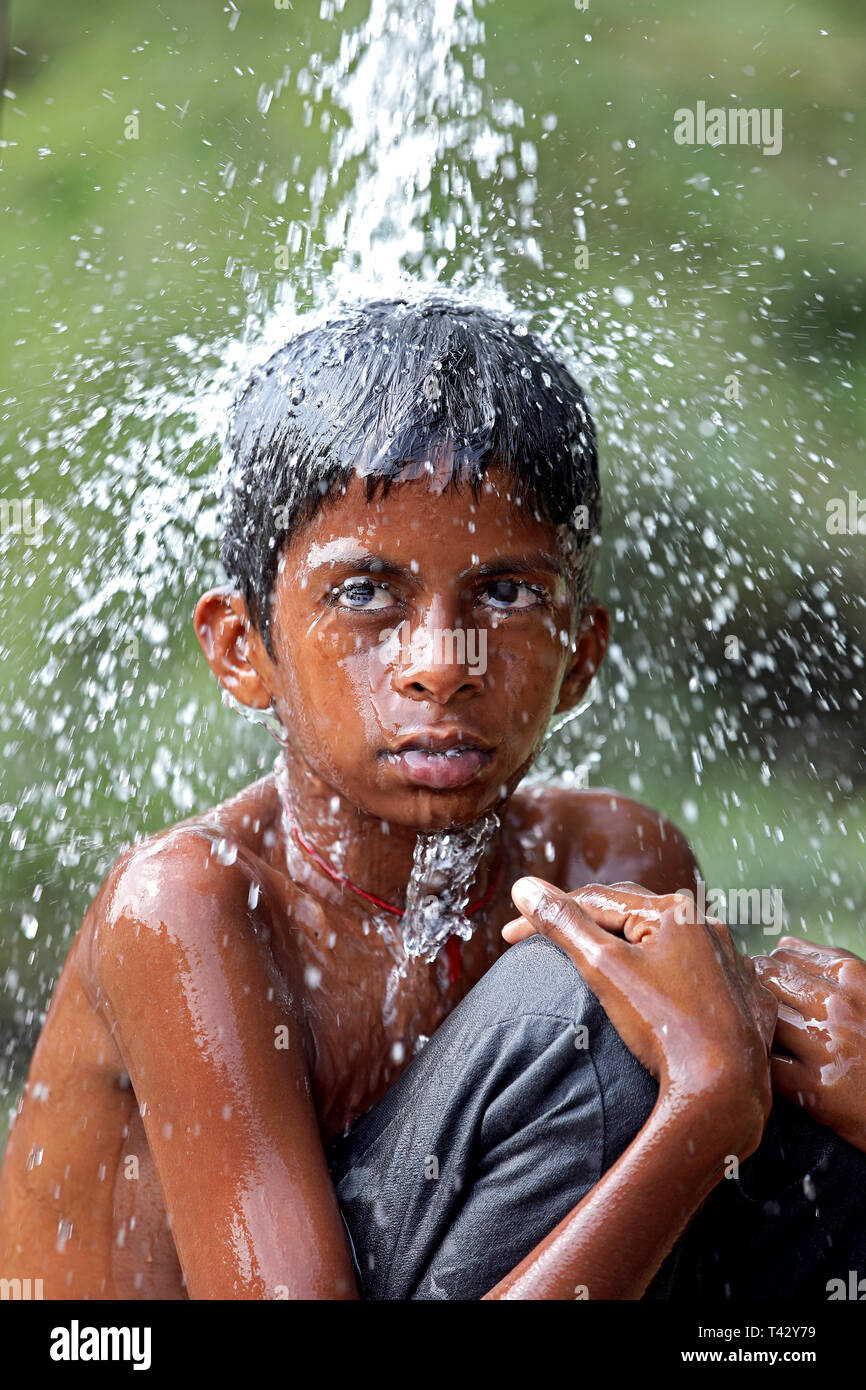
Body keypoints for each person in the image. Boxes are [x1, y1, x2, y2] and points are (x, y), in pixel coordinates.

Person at [1, 292, 864, 1299]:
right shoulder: (187, 908)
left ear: (578, 658)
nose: (438, 664)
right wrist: (703, 1107)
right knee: (596, 1011)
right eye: (365, 592)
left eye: (504, 593)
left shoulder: (614, 860)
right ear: (243, 652)